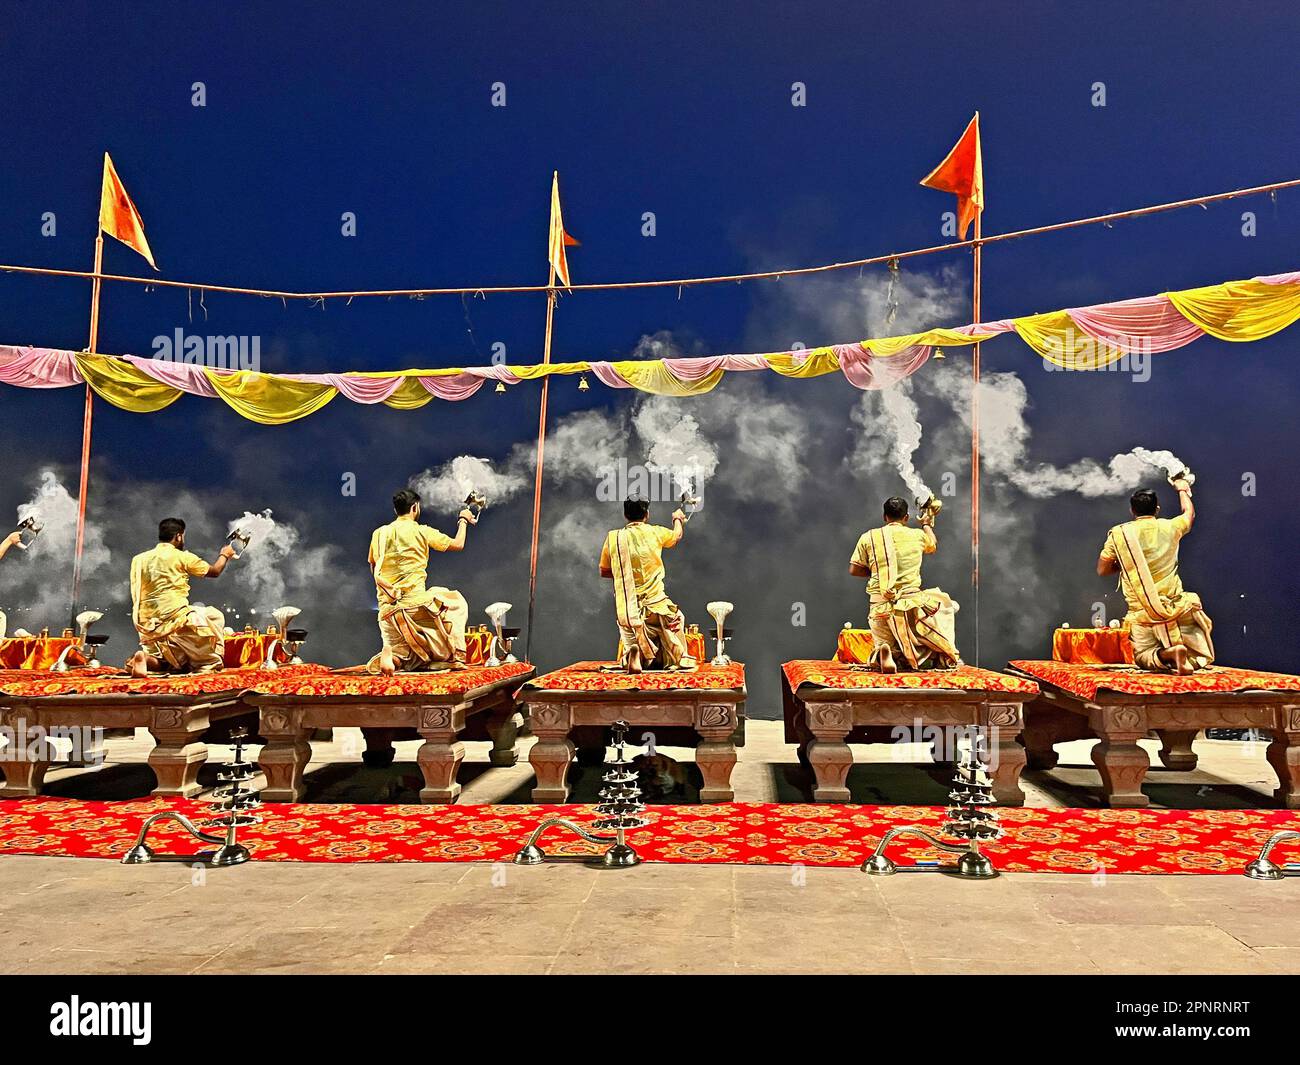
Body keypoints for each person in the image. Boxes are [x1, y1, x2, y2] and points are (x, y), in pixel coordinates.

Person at [1097, 478, 1213, 675]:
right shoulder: (1171, 527)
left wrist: (1127, 564)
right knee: (1195, 657)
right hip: (1177, 609)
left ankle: (1169, 654)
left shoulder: (1120, 534)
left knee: (1143, 657)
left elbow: (1103, 569)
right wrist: (1183, 488)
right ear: (1157, 509)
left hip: (1143, 614)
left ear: (1132, 511)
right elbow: (1189, 514)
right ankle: (1180, 654)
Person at [367, 488, 475, 675]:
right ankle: (455, 655)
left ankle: (391, 658)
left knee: (403, 653)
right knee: (455, 601)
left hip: (387, 611)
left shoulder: (380, 533)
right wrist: (463, 520)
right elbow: (458, 544)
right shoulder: (422, 531)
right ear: (415, 507)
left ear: (396, 510)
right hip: (416, 607)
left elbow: (373, 566)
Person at [849, 496, 961, 673]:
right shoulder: (917, 535)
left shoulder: (868, 537)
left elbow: (854, 570)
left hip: (879, 603)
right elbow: (932, 545)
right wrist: (926, 524)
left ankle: (884, 651)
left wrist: (880, 571)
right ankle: (919, 655)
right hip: (911, 604)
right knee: (944, 606)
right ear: (906, 517)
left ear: (885, 517)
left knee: (883, 638)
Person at [127, 518, 235, 677]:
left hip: (145, 624)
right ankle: (202, 663)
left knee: (165, 663)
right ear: (178, 536)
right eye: (183, 536)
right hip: (175, 619)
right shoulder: (181, 556)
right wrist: (225, 555)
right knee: (215, 615)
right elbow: (214, 571)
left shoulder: (138, 559)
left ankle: (141, 660)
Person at [599, 498, 696, 673]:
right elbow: (676, 536)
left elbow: (604, 570)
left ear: (625, 515)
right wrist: (678, 519)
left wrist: (625, 576)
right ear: (647, 514)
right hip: (656, 607)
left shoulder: (614, 538)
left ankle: (632, 655)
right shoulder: (655, 532)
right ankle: (675, 660)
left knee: (631, 635)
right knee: (676, 620)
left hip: (628, 609)